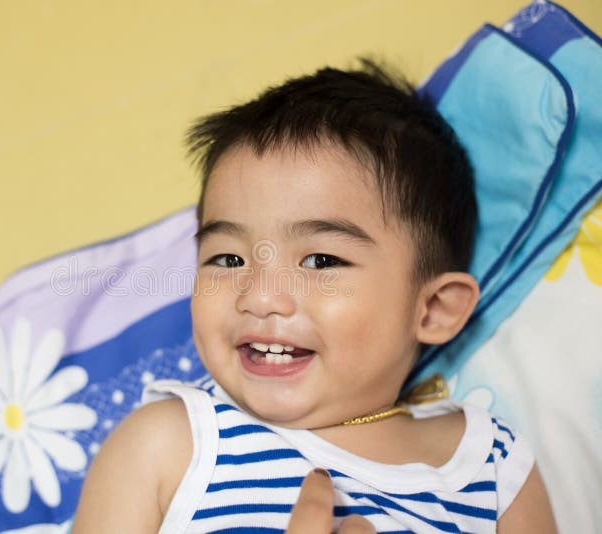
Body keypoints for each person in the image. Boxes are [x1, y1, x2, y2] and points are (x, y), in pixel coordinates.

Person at [72, 60, 557, 533]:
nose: (259, 297)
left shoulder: (492, 469)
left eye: (321, 261)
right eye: (228, 259)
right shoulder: (168, 445)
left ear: (432, 309)